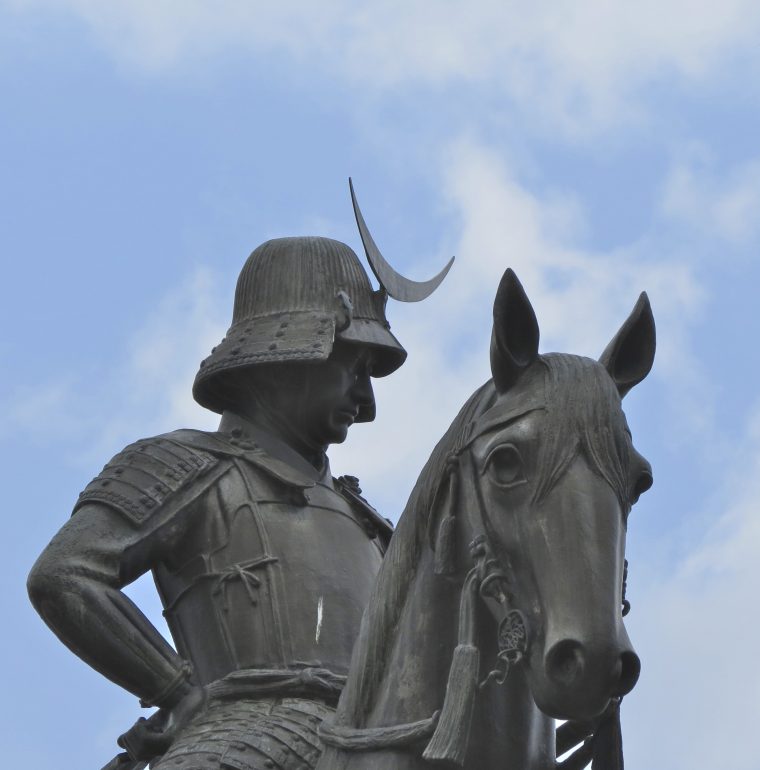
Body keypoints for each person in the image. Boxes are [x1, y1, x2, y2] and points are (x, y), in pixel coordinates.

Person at [27, 186, 452, 770]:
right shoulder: (186, 465)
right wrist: (177, 691)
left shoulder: (372, 525)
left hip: (380, 744)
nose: (368, 402)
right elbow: (65, 574)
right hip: (246, 738)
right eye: (355, 368)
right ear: (296, 353)